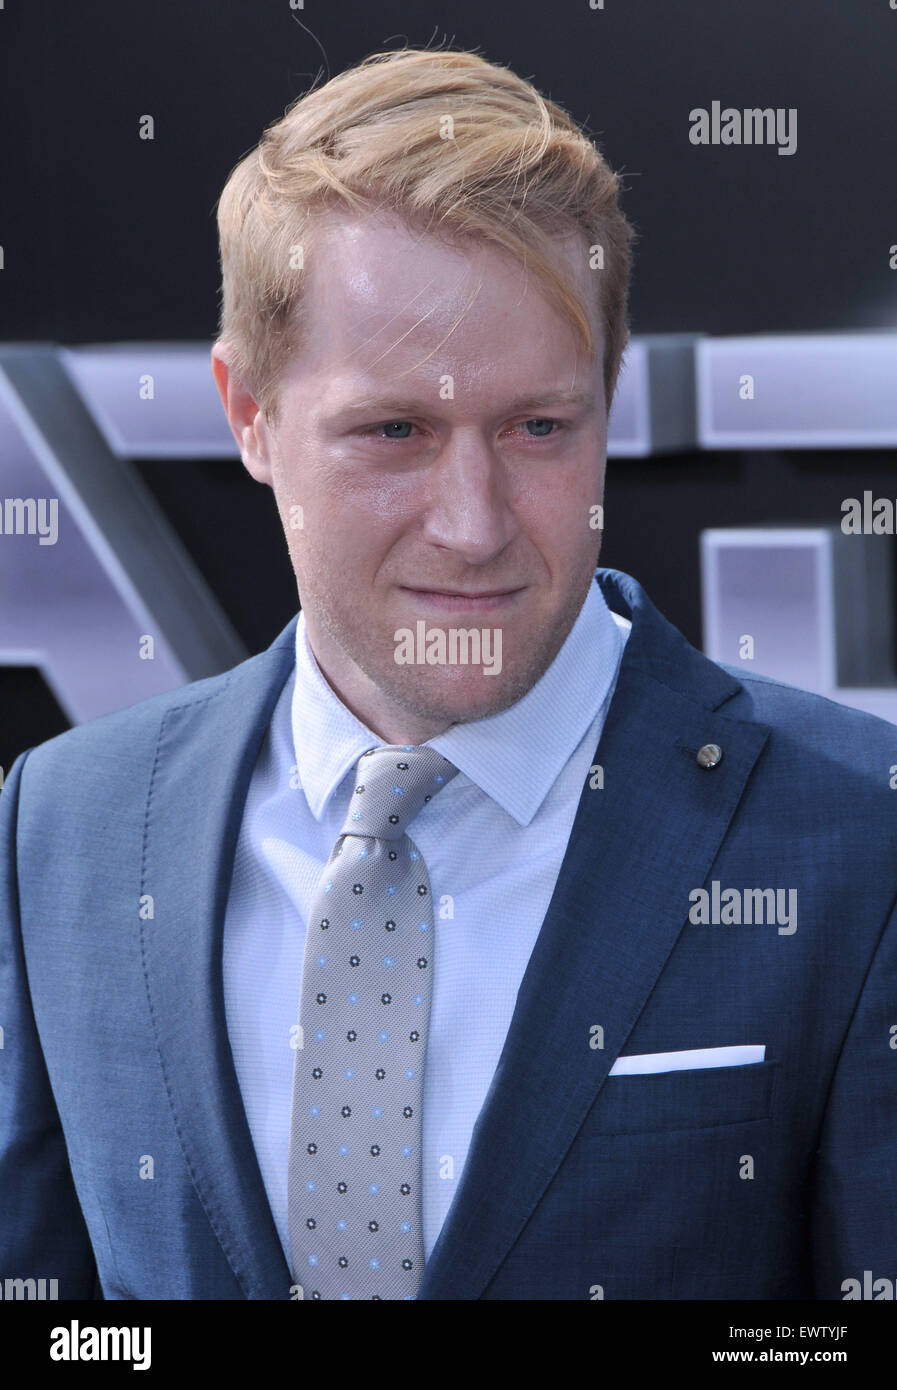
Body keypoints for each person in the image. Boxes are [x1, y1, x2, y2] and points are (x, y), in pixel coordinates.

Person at [1, 46, 895, 1302]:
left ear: (609, 400)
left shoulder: (855, 836)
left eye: (539, 426)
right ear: (247, 413)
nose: (474, 524)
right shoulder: (67, 829)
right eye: (395, 432)